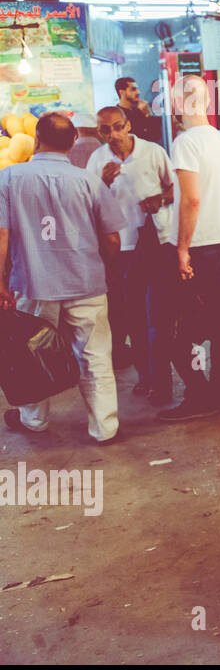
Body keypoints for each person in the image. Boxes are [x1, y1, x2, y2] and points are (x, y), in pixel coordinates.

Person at [0, 113, 127, 444]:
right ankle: (105, 427)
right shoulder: (89, 181)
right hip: (86, 283)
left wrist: (1, 283)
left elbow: (1, 237)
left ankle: (33, 420)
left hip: (33, 284)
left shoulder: (8, 179)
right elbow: (113, 239)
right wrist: (104, 267)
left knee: (31, 353)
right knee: (94, 353)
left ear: (37, 140)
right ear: (73, 143)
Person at [157, 75, 220, 422]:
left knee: (179, 331)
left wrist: (182, 249)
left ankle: (201, 395)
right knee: (218, 323)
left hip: (198, 247)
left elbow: (190, 199)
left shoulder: (186, 142)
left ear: (181, 102)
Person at [86, 105, 176, 397]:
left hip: (155, 243)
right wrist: (102, 184)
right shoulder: (97, 160)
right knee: (132, 317)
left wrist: (158, 199)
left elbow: (175, 189)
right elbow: (86, 205)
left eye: (116, 127)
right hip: (120, 250)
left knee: (159, 316)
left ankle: (163, 380)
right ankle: (146, 376)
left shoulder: (152, 152)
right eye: (104, 129)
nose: (111, 134)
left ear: (127, 126)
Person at [115, 76, 164, 147]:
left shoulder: (139, 112)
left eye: (137, 89)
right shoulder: (117, 115)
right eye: (133, 89)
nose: (138, 92)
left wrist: (147, 114)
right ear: (122, 92)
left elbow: (155, 136)